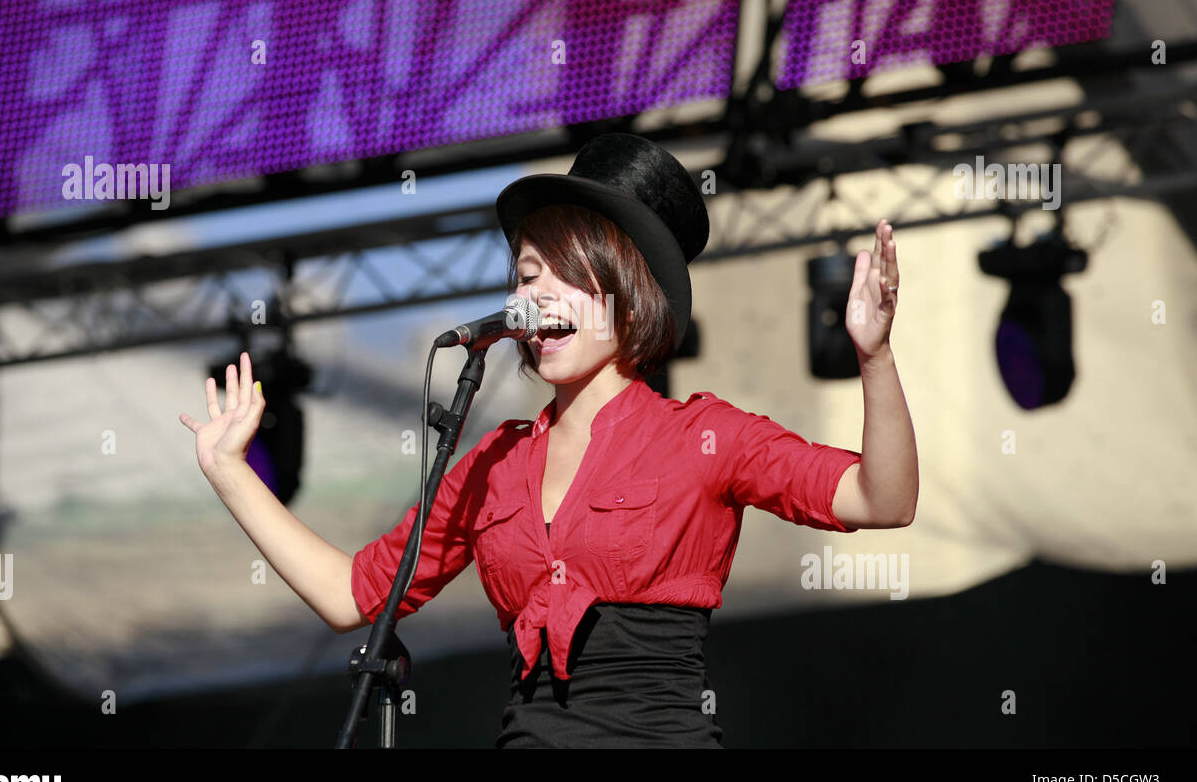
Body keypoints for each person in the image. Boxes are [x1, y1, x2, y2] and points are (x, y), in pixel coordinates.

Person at [180, 133, 919, 748]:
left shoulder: (704, 434)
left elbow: (881, 498)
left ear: (626, 297)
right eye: (529, 274)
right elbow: (353, 596)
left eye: (566, 274)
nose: (535, 294)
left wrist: (874, 359)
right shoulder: (496, 462)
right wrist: (229, 471)